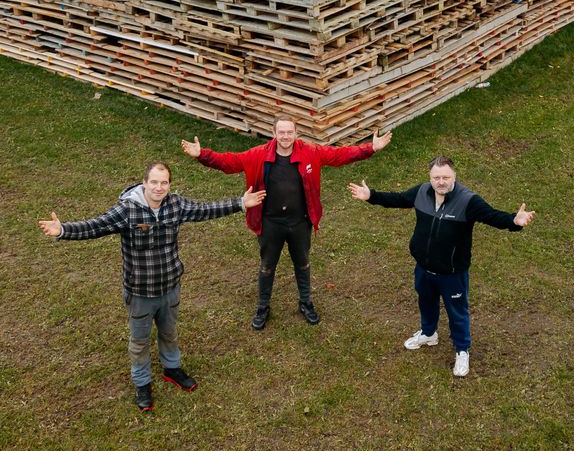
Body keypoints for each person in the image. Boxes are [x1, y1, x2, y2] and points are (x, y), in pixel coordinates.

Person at [37, 162, 265, 411]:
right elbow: (96, 226)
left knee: (169, 333)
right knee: (140, 341)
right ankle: (142, 382)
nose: (159, 187)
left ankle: (172, 368)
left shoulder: (175, 205)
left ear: (169, 185)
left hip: (170, 288)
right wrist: (63, 230)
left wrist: (240, 203)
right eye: (154, 182)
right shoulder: (128, 210)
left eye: (164, 182)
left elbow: (205, 210)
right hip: (140, 293)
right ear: (144, 182)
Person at [182, 118, 392, 330]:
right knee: (267, 266)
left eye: (289, 132)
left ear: (296, 133)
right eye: (281, 132)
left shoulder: (310, 152)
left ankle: (305, 303)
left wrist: (370, 148)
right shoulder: (258, 155)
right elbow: (229, 162)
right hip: (270, 223)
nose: (285, 136)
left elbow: (339, 155)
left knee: (303, 264)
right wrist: (202, 155)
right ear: (274, 133)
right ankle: (263, 307)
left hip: (299, 223)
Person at [347, 156, 534, 378]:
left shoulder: (468, 201)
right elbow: (398, 199)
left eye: (446, 177)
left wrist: (514, 221)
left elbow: (492, 216)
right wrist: (371, 196)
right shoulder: (421, 192)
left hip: (452, 273)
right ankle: (428, 334)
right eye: (436, 177)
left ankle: (462, 349)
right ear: (430, 177)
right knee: (426, 303)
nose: (441, 182)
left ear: (454, 176)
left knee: (457, 313)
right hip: (424, 268)